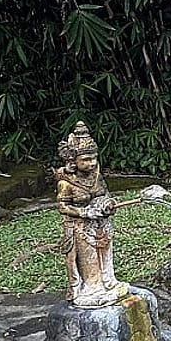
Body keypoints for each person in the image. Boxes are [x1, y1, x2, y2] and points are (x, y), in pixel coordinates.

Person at [54, 121, 128, 308]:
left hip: (101, 223)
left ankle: (108, 280)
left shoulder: (96, 176)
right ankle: (92, 287)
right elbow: (63, 207)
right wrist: (84, 212)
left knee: (105, 253)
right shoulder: (66, 182)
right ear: (73, 162)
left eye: (94, 158)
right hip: (80, 228)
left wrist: (108, 204)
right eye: (86, 159)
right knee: (90, 259)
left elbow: (104, 194)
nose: (92, 163)